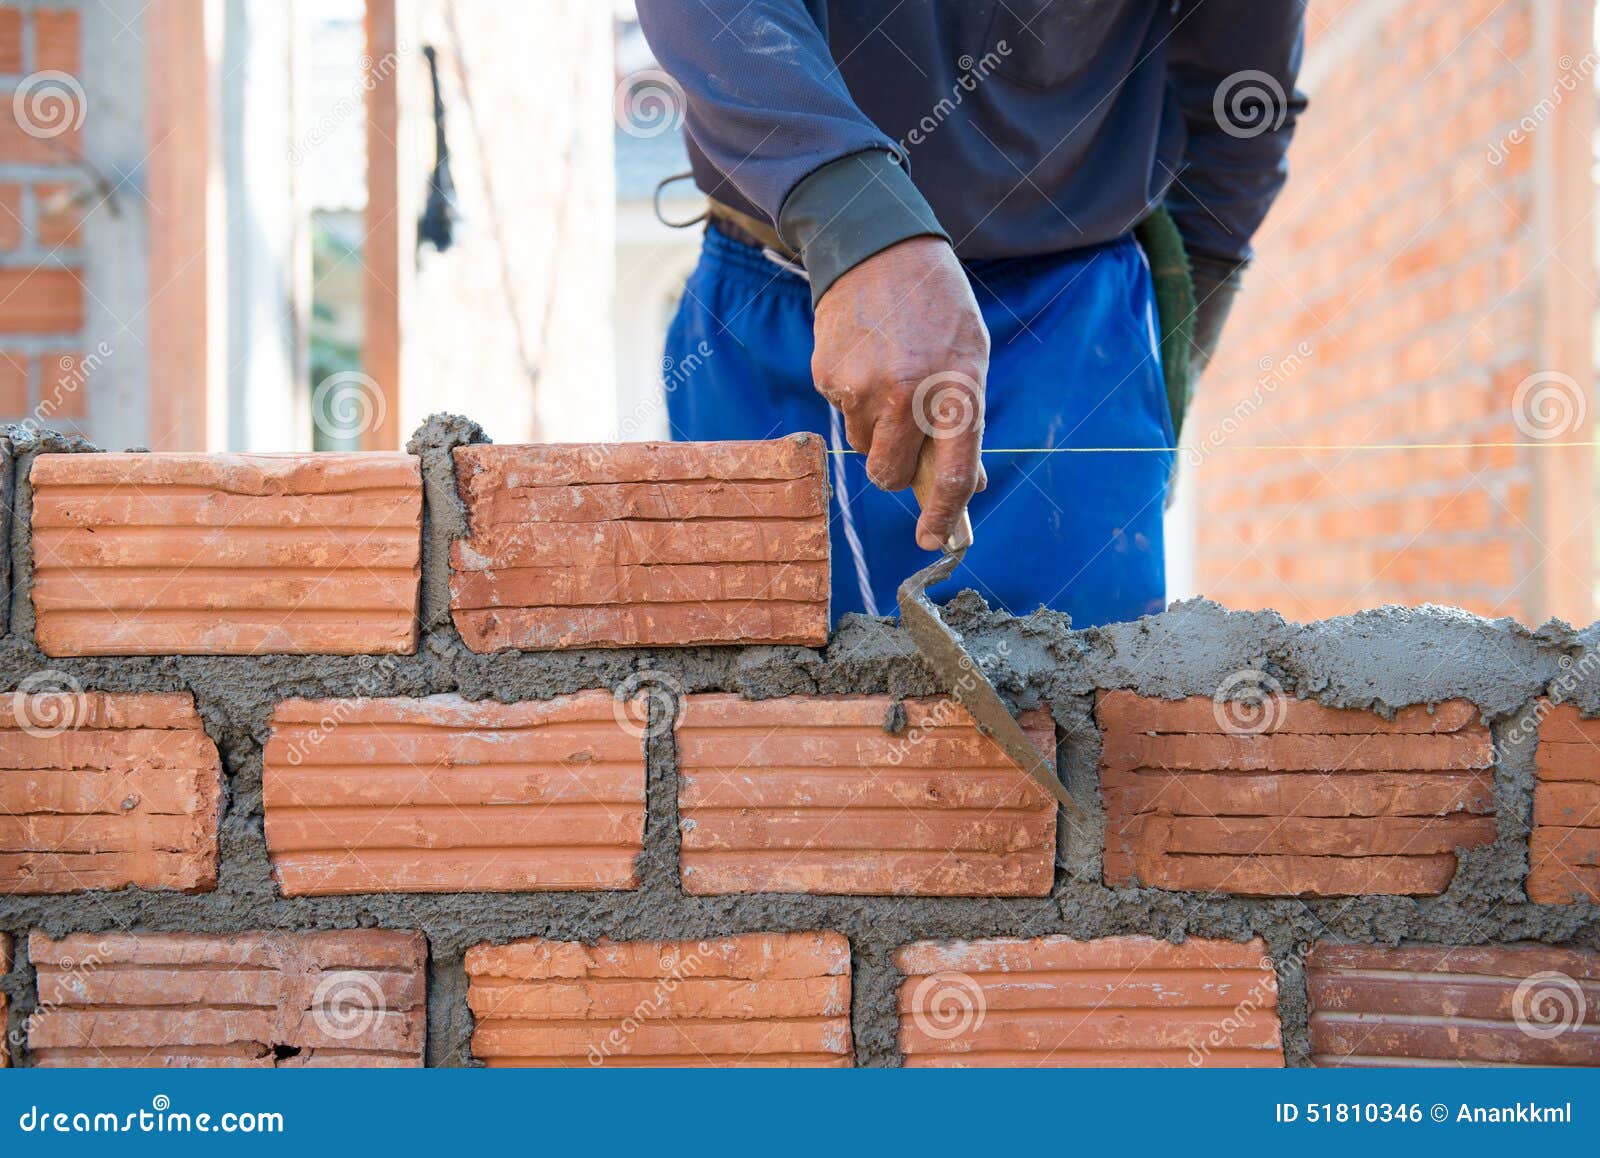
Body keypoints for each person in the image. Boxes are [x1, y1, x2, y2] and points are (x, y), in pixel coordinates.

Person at [637, 1, 1306, 625]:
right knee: (751, 719)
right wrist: (854, 216)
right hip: (776, 303)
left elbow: (1239, 95)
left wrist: (1169, 341)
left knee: (1084, 722)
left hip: (1068, 333)